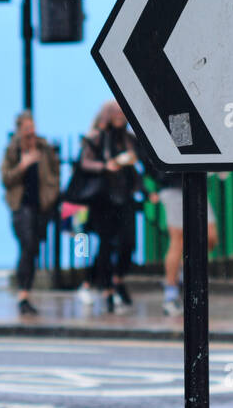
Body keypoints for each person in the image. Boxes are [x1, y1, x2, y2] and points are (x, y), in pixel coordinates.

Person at [79, 100, 140, 313]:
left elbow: (137, 165)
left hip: (124, 197)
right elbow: (84, 163)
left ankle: (115, 280)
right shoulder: (97, 138)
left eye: (124, 113)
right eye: (117, 112)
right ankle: (105, 289)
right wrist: (106, 166)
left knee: (128, 243)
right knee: (106, 244)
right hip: (102, 198)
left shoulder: (128, 139)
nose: (121, 117)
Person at [0, 111, 60, 317]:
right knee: (27, 246)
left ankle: (26, 292)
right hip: (21, 205)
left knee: (33, 248)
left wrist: (52, 192)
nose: (31, 133)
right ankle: (23, 294)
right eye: (26, 129)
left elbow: (55, 171)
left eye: (32, 128)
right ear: (18, 130)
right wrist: (22, 166)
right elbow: (6, 178)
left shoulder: (44, 147)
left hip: (41, 205)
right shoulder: (12, 151)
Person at [142, 165, 218, 316]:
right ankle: (170, 292)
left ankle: (184, 273)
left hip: (196, 184)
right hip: (173, 187)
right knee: (178, 239)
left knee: (211, 236)